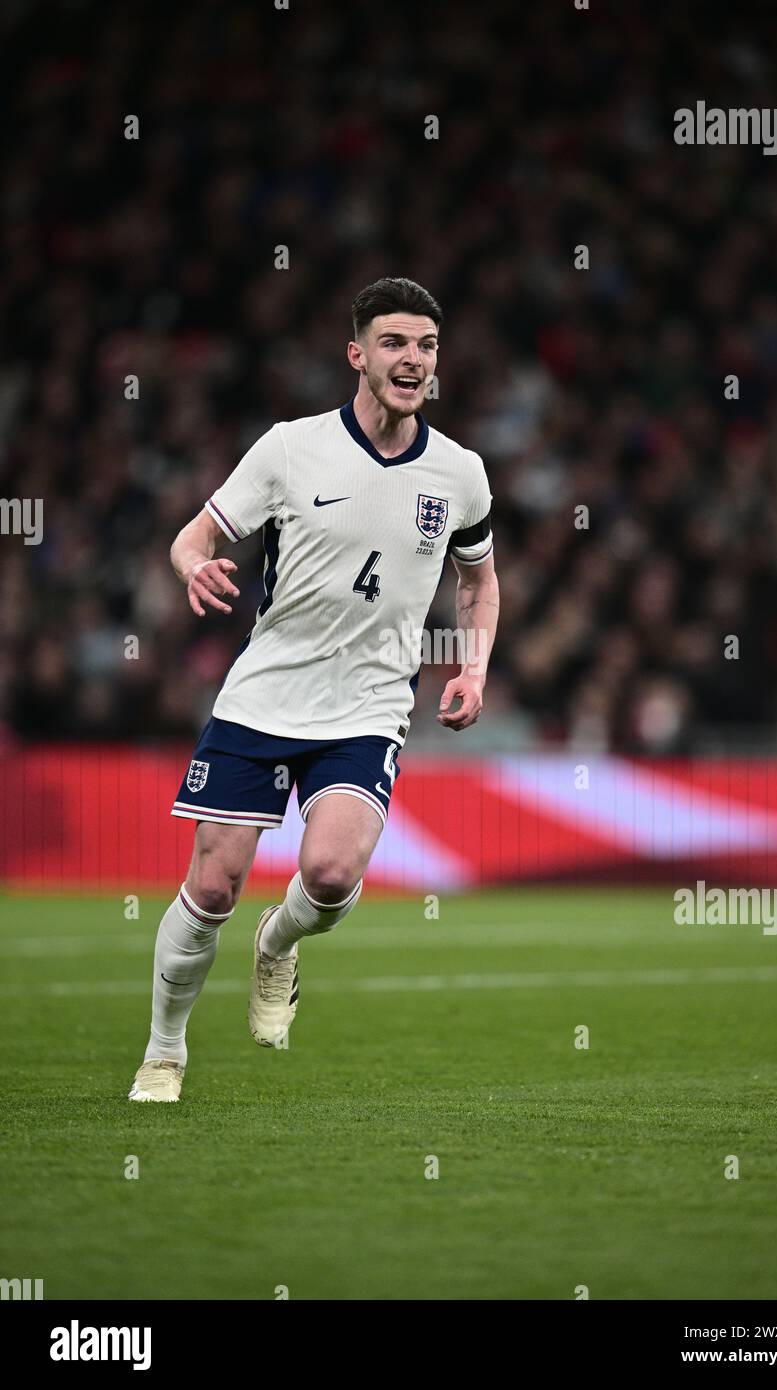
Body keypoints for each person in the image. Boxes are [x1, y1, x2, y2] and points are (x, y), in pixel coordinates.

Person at [128, 277, 499, 1101]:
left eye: (428, 347)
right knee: (213, 885)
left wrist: (472, 668)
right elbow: (196, 535)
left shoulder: (460, 473)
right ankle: (164, 1052)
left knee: (329, 876)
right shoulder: (290, 448)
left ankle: (280, 940)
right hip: (265, 696)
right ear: (357, 353)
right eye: (396, 344)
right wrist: (194, 566)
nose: (413, 361)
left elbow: (479, 583)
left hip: (368, 706)